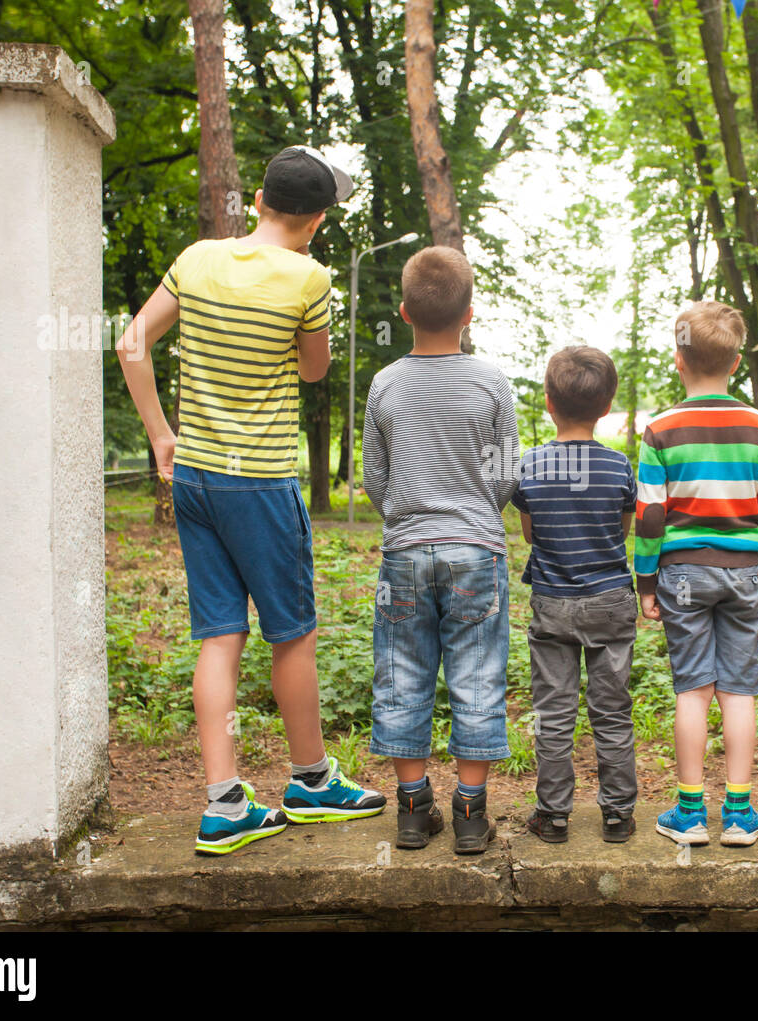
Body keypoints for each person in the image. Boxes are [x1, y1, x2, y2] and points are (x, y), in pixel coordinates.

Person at [116, 145, 385, 856]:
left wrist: (161, 436)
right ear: (318, 219)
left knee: (219, 634)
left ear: (258, 200)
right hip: (260, 481)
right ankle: (311, 781)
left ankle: (224, 801)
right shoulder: (310, 276)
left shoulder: (198, 258)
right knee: (291, 630)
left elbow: (131, 341)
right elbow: (315, 367)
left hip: (197, 475)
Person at [362, 246, 521, 855]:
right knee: (477, 677)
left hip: (403, 552)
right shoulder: (493, 383)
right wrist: (476, 511)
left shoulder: (384, 385)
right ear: (470, 315)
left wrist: (407, 516)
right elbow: (507, 472)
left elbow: (375, 476)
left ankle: (412, 810)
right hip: (476, 551)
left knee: (402, 675)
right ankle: (472, 816)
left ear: (404, 311)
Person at [636, 301, 758, 847]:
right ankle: (742, 814)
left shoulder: (661, 429)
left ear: (679, 359)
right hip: (746, 573)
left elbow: (650, 515)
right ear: (737, 362)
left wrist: (646, 584)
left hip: (681, 575)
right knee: (739, 691)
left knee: (693, 691)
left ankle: (690, 813)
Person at [514, 347, 640, 844]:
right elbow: (622, 529)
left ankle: (553, 815)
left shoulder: (531, 465)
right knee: (612, 710)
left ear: (548, 402)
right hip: (610, 599)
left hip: (552, 603)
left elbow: (529, 534)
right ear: (606, 406)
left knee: (553, 711)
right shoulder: (618, 467)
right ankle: (618, 815)